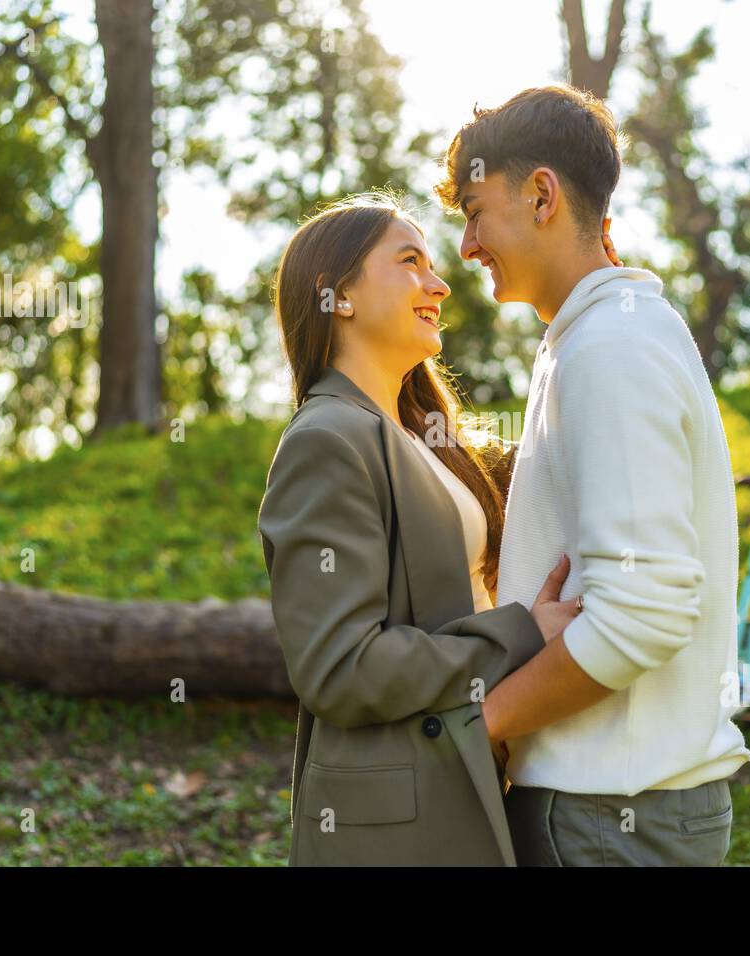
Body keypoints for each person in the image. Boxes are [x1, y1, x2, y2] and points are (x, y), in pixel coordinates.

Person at [433, 84, 750, 866]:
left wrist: (481, 724)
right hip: (607, 809)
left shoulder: (611, 346)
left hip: (609, 820)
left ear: (541, 194)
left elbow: (642, 609)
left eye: (476, 210)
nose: (468, 245)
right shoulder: (596, 338)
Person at [256, 192, 580, 866]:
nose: (439, 284)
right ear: (336, 295)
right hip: (392, 827)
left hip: (464, 781)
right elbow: (342, 668)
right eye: (410, 262)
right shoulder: (326, 440)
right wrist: (521, 635)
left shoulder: (420, 436)